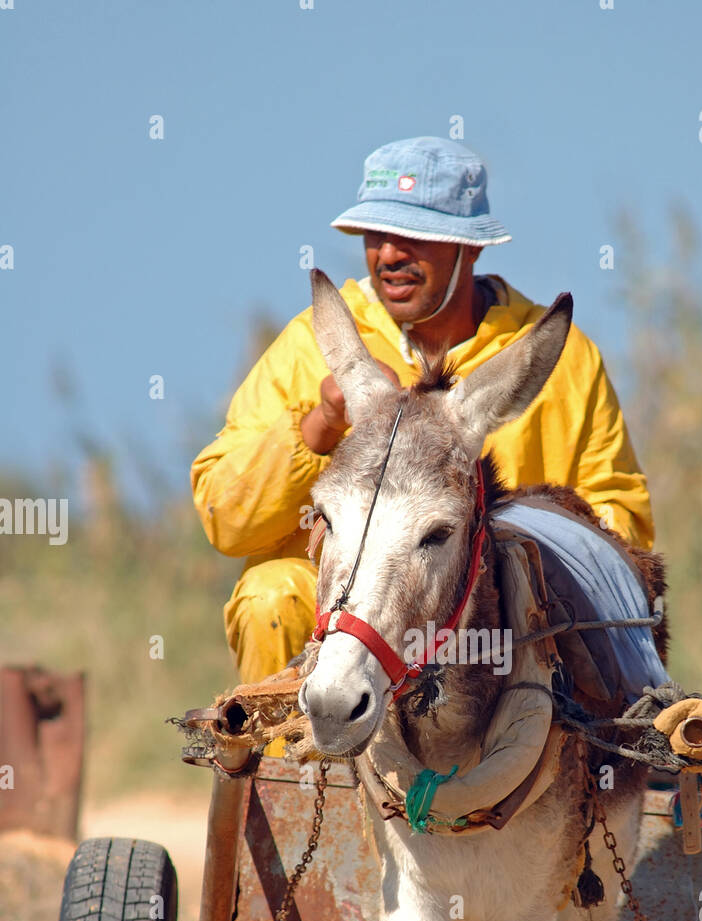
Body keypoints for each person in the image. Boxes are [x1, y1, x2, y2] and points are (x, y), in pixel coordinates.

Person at [191, 136, 654, 684]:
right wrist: (321, 426)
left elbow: (621, 527)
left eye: (414, 235)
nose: (388, 254)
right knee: (270, 595)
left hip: (499, 638)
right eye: (375, 234)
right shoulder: (307, 345)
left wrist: (507, 558)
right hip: (341, 635)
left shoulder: (564, 359)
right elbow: (225, 518)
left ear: (472, 248)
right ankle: (278, 768)